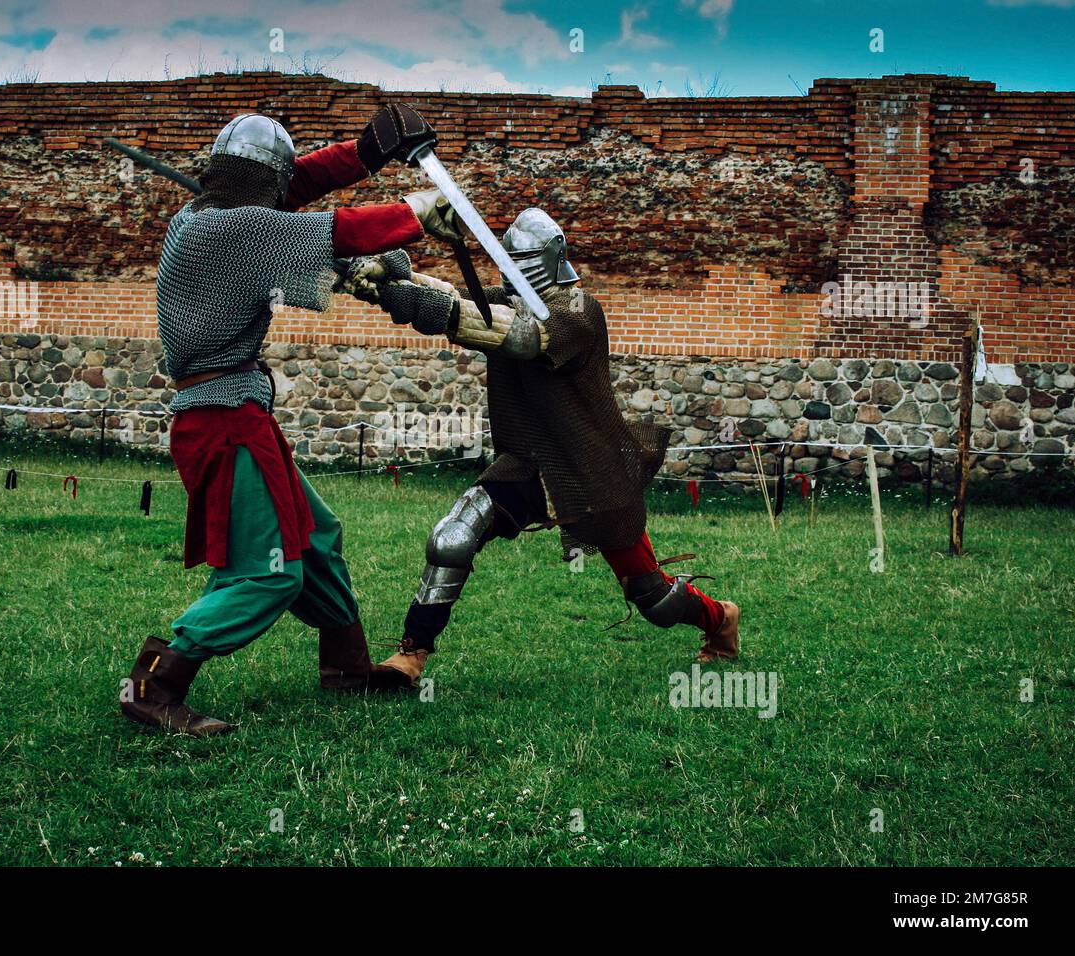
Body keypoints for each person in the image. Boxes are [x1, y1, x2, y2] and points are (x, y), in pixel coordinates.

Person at [121, 105, 461, 736]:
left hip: (237, 411)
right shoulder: (232, 231)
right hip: (220, 420)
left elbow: (293, 188)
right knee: (269, 574)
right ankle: (155, 681)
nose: (285, 192)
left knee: (317, 535)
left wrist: (364, 153)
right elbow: (341, 233)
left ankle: (347, 670)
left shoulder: (201, 217)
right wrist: (417, 212)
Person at [338, 207, 741, 687]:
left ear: (553, 257)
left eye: (526, 258)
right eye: (512, 260)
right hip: (527, 464)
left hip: (590, 471)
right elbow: (454, 298)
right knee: (453, 536)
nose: (518, 269)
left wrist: (424, 304)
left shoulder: (578, 311)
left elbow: (520, 338)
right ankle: (412, 655)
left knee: (653, 599)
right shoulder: (506, 303)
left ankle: (720, 619)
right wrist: (389, 277)